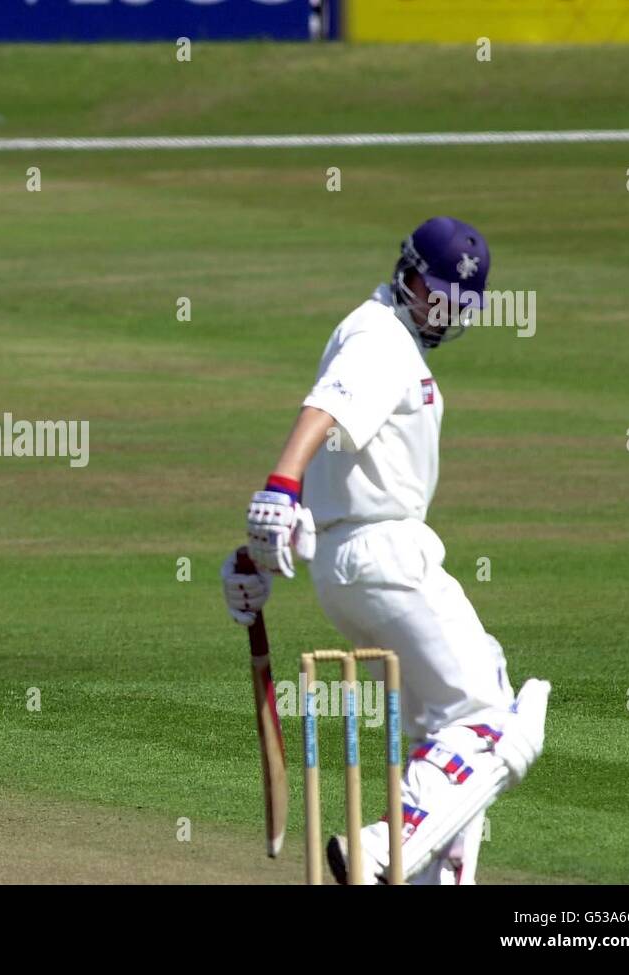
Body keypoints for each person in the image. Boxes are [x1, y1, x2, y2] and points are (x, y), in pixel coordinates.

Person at [222, 217, 551, 884]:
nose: (442, 311)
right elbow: (326, 410)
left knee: (457, 723)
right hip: (387, 558)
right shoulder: (380, 338)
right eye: (434, 292)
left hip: (352, 563)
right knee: (499, 722)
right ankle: (378, 852)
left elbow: (341, 471)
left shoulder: (389, 339)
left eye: (458, 304)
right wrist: (280, 485)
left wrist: (258, 558)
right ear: (405, 273)